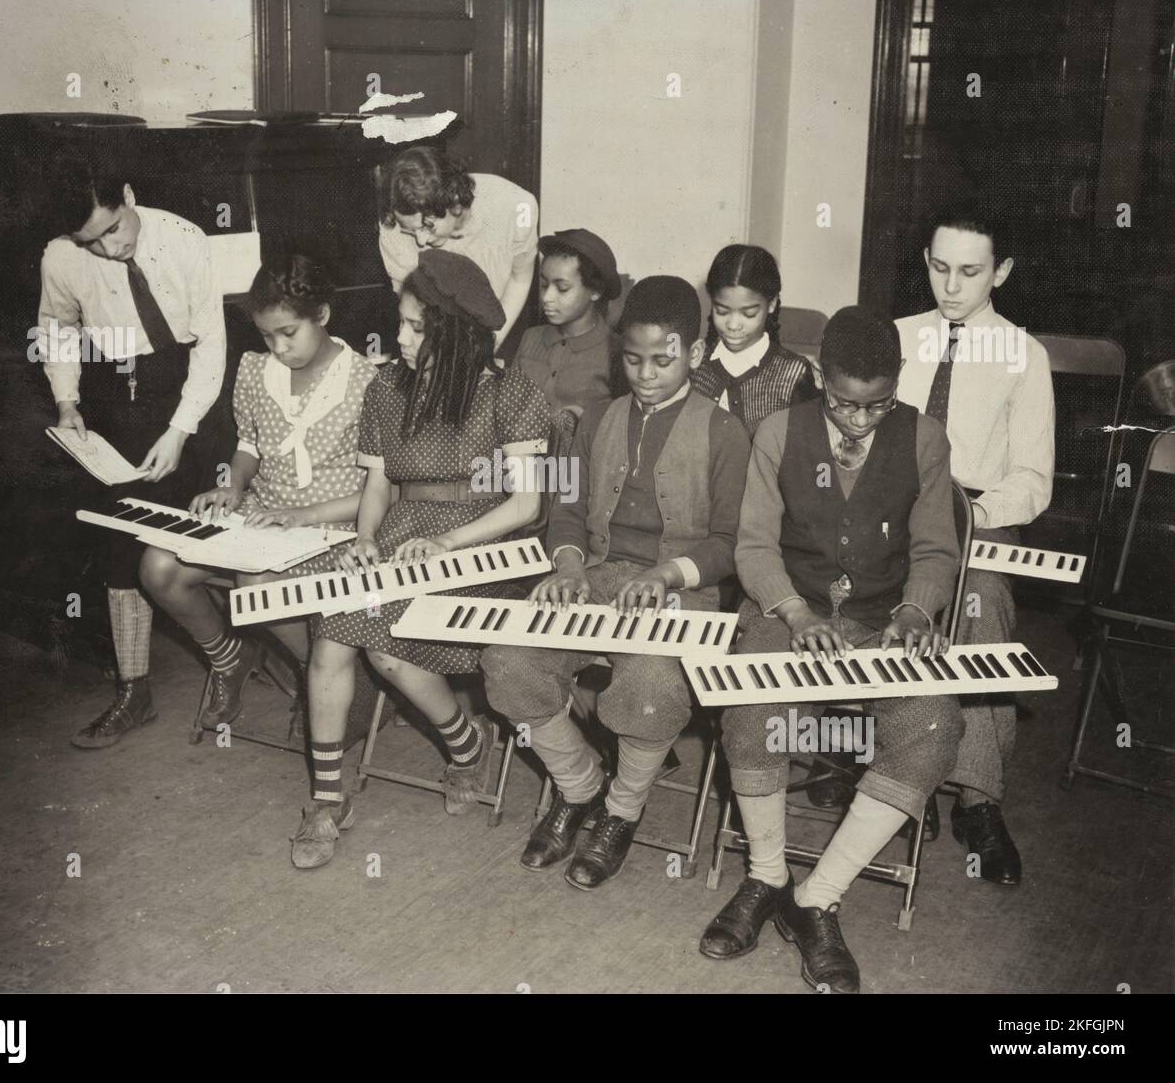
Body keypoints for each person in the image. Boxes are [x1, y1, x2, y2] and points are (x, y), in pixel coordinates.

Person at [701, 306, 963, 993]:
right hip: (789, 604)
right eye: (846, 402)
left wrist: (913, 609)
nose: (859, 420)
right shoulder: (778, 430)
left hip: (884, 617)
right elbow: (753, 545)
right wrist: (790, 610)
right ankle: (765, 875)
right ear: (819, 377)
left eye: (879, 405)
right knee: (752, 709)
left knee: (934, 723)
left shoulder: (925, 439)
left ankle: (816, 896)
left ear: (898, 385)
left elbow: (936, 548)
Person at [481, 276, 750, 891]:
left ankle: (623, 810)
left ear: (697, 353)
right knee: (507, 659)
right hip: (594, 575)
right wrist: (569, 564)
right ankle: (580, 788)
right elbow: (568, 510)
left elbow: (731, 544)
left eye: (664, 359)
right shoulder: (597, 417)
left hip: (681, 589)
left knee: (651, 684)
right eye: (633, 359)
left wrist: (666, 573)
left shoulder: (725, 433)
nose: (647, 373)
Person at [290, 249, 551, 869]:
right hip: (404, 532)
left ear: (456, 335)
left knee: (386, 644)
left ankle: (466, 745)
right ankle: (327, 799)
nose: (400, 339)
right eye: (402, 323)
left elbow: (526, 505)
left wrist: (447, 543)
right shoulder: (387, 389)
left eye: (415, 328)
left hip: (485, 546)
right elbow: (378, 485)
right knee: (332, 628)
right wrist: (364, 536)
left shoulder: (511, 394)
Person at [35, 152, 225, 749]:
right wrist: (67, 400)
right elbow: (58, 327)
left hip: (193, 391)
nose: (109, 250)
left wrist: (179, 430)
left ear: (127, 193)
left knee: (202, 536)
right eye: (91, 242)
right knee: (121, 545)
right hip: (119, 393)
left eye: (113, 230)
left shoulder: (184, 240)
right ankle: (133, 691)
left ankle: (230, 662)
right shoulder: (62, 256)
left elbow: (212, 345)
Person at [138, 255, 375, 730]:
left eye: (289, 332)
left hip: (336, 524)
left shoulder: (368, 380)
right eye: (267, 336)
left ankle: (328, 669)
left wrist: (301, 516)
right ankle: (229, 657)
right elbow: (248, 448)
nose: (279, 347)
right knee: (157, 565)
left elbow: (380, 491)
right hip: (263, 514)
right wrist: (231, 486)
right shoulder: (253, 370)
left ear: (322, 314)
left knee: (258, 587)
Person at [894, 204, 1054, 885]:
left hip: (981, 514)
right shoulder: (896, 337)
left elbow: (1033, 480)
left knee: (981, 604)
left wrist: (968, 514)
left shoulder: (1024, 354)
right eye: (938, 268)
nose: (950, 286)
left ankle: (979, 799)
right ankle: (897, 765)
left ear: (1002, 271)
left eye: (969, 272)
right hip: (895, 517)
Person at [376, 146, 538, 352]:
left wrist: (490, 344)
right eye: (411, 231)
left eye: (428, 226)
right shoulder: (392, 228)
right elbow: (413, 307)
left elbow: (520, 278)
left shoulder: (518, 207)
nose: (420, 240)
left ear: (455, 203)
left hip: (501, 321)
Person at [691, 243, 818, 435]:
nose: (733, 325)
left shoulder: (794, 373)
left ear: (772, 303)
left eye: (748, 313)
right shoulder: (696, 365)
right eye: (722, 311)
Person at [514, 229, 622, 417]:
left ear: (595, 291)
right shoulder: (529, 338)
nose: (547, 297)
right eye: (544, 285)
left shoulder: (617, 350)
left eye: (562, 288)